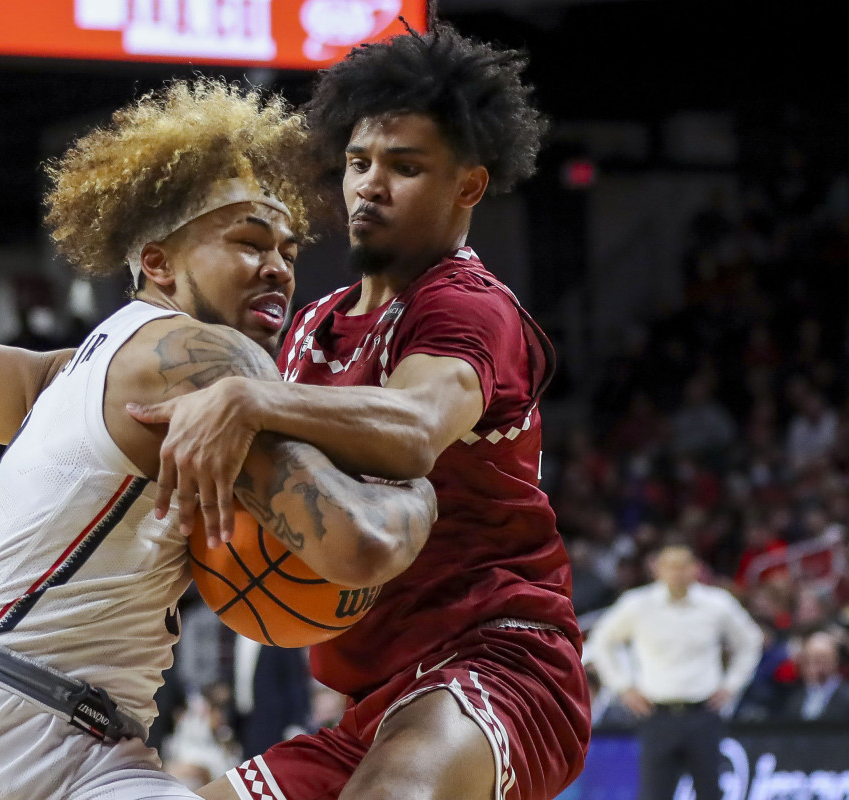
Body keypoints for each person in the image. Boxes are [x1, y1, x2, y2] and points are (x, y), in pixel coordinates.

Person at [0, 78, 436, 800]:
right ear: (160, 263)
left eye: (289, 251)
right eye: (248, 241)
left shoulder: (72, 370)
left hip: (97, 747)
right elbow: (359, 546)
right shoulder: (201, 359)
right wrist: (420, 477)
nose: (279, 268)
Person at [128, 19, 591, 800]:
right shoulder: (315, 322)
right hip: (372, 702)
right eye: (357, 162)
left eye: (404, 167)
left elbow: (412, 430)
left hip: (501, 663)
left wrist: (248, 395)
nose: (369, 184)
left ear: (468, 186)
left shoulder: (468, 308)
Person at [588, 544, 763, 800]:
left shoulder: (716, 603)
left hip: (703, 713)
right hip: (656, 715)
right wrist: (623, 687)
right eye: (671, 567)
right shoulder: (638, 604)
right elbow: (601, 641)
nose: (678, 574)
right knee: (653, 794)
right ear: (658, 570)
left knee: (709, 792)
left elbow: (751, 640)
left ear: (696, 569)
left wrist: (732, 685)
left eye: (684, 567)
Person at [780, 630, 849, 722]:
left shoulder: (846, 697)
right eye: (808, 660)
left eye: (821, 659)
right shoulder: (793, 698)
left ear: (835, 661)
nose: (813, 666)